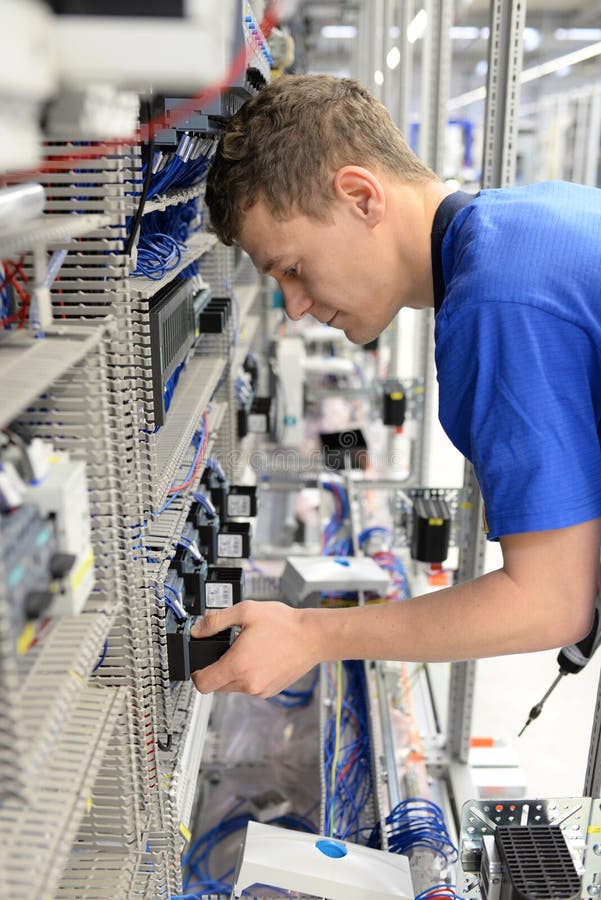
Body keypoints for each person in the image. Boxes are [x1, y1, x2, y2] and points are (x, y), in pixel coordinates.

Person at [190, 74, 601, 698]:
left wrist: (312, 634)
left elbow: (549, 603)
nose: (294, 307)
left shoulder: (496, 303)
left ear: (361, 196)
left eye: (293, 270)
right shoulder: (528, 224)